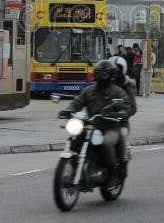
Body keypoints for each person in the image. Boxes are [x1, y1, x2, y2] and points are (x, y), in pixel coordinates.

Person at [59, 60, 133, 188]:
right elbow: (77, 102)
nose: (100, 77)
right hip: (92, 125)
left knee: (106, 143)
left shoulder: (117, 92)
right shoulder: (89, 90)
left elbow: (126, 107)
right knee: (75, 138)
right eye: (98, 73)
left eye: (103, 74)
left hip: (111, 127)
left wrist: (117, 114)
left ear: (110, 75)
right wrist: (68, 111)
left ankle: (112, 173)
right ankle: (77, 164)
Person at [109, 55, 137, 166]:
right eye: (112, 69)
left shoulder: (126, 86)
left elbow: (132, 107)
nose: (115, 72)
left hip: (119, 122)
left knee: (119, 137)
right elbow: (88, 96)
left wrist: (122, 113)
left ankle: (121, 160)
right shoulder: (102, 83)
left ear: (122, 70)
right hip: (100, 120)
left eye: (117, 70)